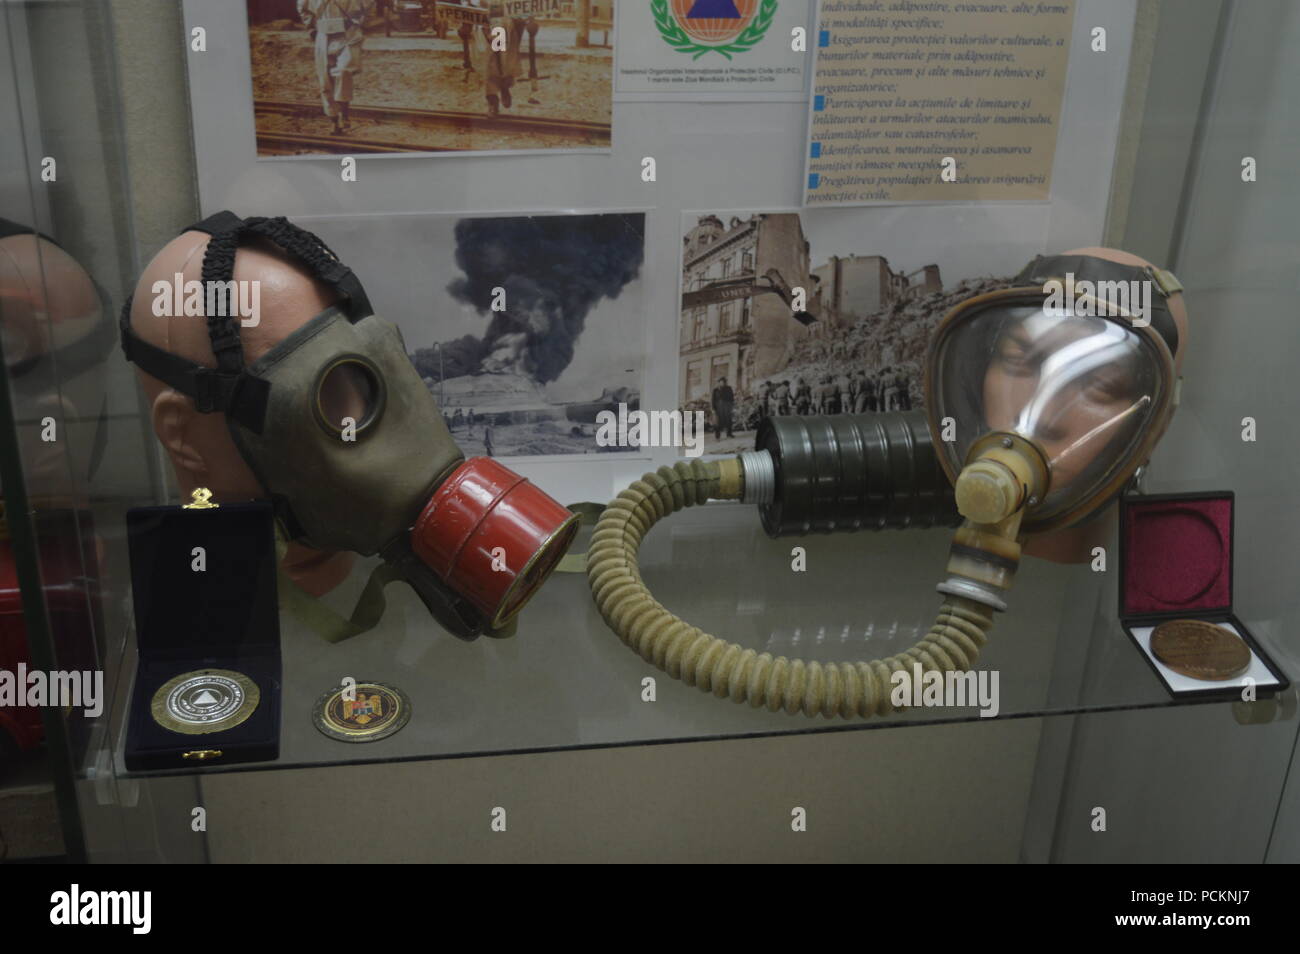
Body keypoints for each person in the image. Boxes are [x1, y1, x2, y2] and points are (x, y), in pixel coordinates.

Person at [298, 0, 372, 135]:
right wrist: (311, 28)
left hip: (348, 34)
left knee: (344, 71)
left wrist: (358, 22)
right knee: (325, 81)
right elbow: (302, 7)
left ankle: (344, 113)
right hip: (323, 36)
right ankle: (333, 121)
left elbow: (369, 5)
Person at [711, 376, 735, 440]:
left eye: (724, 382)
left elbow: (732, 398)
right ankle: (717, 436)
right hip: (719, 408)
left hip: (727, 407)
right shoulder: (715, 390)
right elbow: (713, 400)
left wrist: (731, 406)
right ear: (719, 382)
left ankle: (729, 434)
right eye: (721, 382)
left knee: (728, 420)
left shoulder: (729, 388)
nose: (723, 383)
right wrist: (713, 409)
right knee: (718, 422)